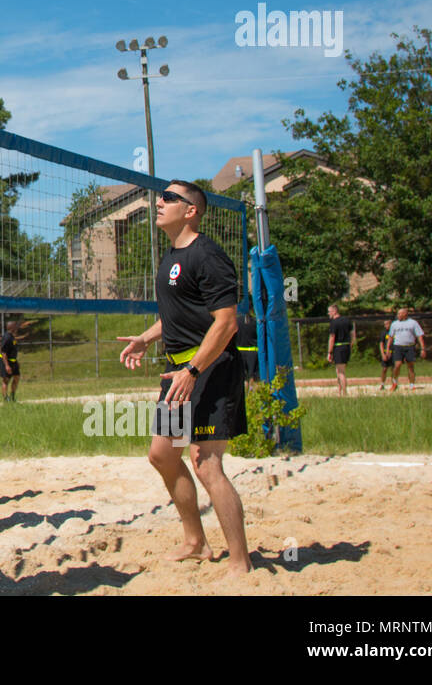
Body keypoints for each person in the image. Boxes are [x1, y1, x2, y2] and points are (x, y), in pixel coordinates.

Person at [117, 180, 251, 575]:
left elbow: (225, 323)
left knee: (207, 464)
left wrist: (194, 370)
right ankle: (196, 542)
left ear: (190, 210)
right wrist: (145, 337)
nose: (159, 202)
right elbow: (179, 315)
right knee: (162, 454)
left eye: (169, 198)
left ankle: (240, 562)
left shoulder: (207, 255)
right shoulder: (171, 255)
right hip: (179, 373)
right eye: (161, 197)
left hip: (208, 370)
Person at [385, 306, 426, 392]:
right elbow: (390, 337)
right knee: (397, 365)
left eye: (400, 313)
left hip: (409, 346)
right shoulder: (394, 324)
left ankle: (412, 385)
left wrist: (423, 348)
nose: (398, 315)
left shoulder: (413, 323)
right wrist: (387, 349)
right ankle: (394, 382)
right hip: (398, 346)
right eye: (398, 314)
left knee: (410, 366)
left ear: (405, 314)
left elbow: (419, 336)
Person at [326, 304, 355, 396]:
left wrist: (329, 352)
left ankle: (344, 393)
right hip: (347, 346)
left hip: (338, 347)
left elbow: (332, 337)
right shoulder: (347, 321)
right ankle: (340, 391)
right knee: (338, 370)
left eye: (329, 311)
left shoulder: (334, 323)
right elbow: (353, 335)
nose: (328, 313)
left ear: (335, 311)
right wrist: (351, 345)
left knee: (341, 372)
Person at [235, 305, 259, 391]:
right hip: (252, 352)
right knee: (252, 375)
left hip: (239, 351)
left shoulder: (237, 321)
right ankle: (250, 391)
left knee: (242, 375)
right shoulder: (255, 322)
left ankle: (243, 391)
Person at [0, 325, 21, 401]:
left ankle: (12, 397)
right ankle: (6, 398)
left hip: (13, 360)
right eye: (15, 326)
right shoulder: (7, 337)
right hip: (5, 361)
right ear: (11, 327)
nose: (16, 328)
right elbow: (3, 352)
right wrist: (7, 365)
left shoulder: (12, 336)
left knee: (17, 377)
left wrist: (16, 361)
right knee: (6, 379)